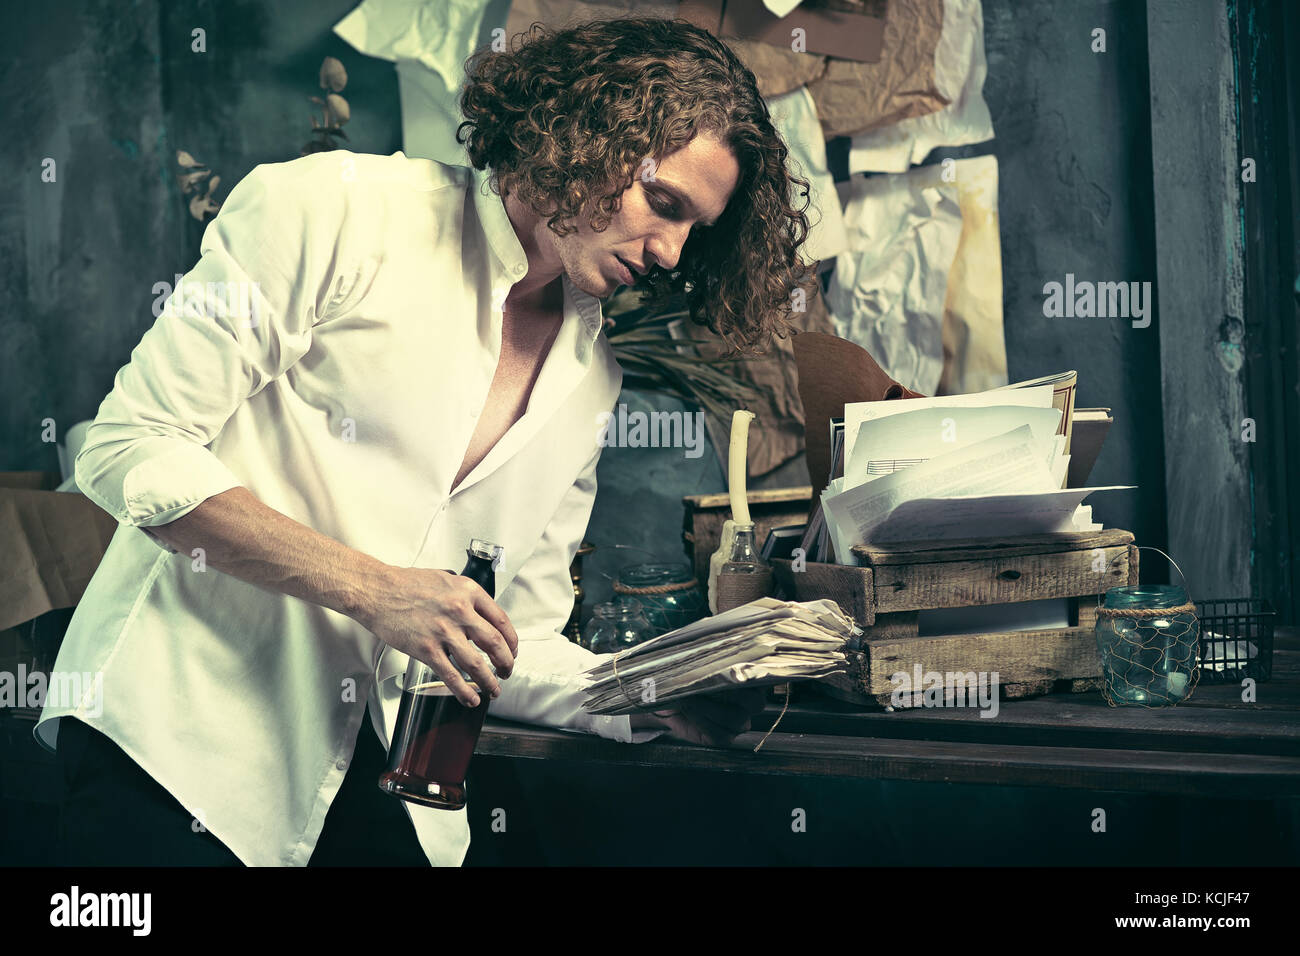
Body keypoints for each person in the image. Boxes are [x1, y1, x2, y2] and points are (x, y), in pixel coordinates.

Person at [37, 16, 816, 866]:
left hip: (384, 792)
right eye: (663, 205)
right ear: (592, 135)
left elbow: (513, 639)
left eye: (695, 231)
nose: (670, 251)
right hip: (177, 752)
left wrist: (645, 695)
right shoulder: (332, 208)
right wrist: (377, 590)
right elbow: (129, 445)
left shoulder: (592, 378)